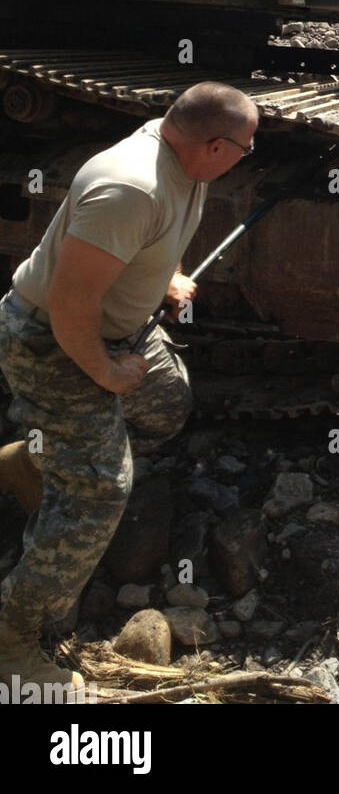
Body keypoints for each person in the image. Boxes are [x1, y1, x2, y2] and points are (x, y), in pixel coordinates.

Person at [0, 82, 259, 696]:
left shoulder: (182, 158)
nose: (248, 157)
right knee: (100, 493)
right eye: (246, 149)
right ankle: (10, 638)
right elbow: (68, 304)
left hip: (108, 330)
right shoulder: (131, 187)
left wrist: (163, 276)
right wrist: (106, 372)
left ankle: (30, 460)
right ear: (216, 145)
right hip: (53, 341)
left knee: (167, 403)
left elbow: (140, 243)